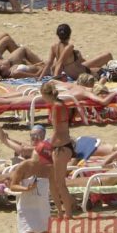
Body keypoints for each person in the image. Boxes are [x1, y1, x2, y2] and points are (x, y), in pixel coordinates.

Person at [8, 140, 54, 233]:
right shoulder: (24, 166)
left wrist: (61, 207)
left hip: (43, 210)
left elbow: (54, 188)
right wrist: (26, 189)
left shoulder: (48, 168)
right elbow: (13, 185)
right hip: (26, 210)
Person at [40, 81, 74, 219]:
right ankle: (60, 212)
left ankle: (68, 213)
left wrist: (47, 146)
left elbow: (56, 131)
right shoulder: (60, 104)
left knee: (60, 183)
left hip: (61, 147)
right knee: (53, 182)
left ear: (45, 94)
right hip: (63, 145)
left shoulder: (56, 107)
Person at [36, 24, 115, 81]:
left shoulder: (53, 46)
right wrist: (55, 79)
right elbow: (59, 63)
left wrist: (40, 78)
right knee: (102, 68)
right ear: (69, 34)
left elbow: (49, 63)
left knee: (106, 56)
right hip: (82, 73)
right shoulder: (69, 47)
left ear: (57, 35)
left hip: (78, 68)